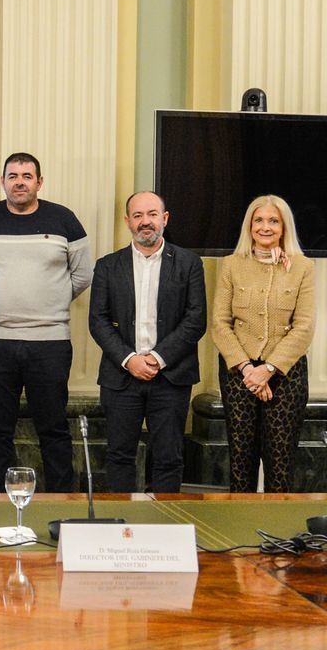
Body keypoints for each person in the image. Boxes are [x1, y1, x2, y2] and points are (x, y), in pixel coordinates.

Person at [0, 152, 93, 493]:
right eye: (13, 175)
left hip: (49, 343)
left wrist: (51, 301)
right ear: (2, 181)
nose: (19, 181)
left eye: (27, 176)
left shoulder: (64, 220)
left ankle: (62, 505)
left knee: (54, 429)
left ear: (39, 182)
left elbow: (83, 274)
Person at [89, 191, 206, 493]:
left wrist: (156, 358)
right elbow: (98, 321)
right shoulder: (107, 266)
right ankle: (121, 531)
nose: (145, 222)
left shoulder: (189, 263)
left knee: (168, 458)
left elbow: (196, 319)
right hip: (121, 377)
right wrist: (130, 360)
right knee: (119, 456)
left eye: (152, 214)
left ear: (164, 219)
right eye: (138, 216)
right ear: (127, 221)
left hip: (170, 376)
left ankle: (164, 530)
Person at [212, 194, 315, 493]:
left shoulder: (303, 267)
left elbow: (304, 326)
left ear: (284, 228)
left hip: (286, 373)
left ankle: (276, 535)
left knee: (280, 463)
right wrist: (248, 370)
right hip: (238, 374)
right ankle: (240, 533)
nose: (265, 227)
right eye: (259, 220)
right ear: (249, 225)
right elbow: (220, 323)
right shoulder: (231, 265)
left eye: (273, 221)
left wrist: (268, 369)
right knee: (241, 461)